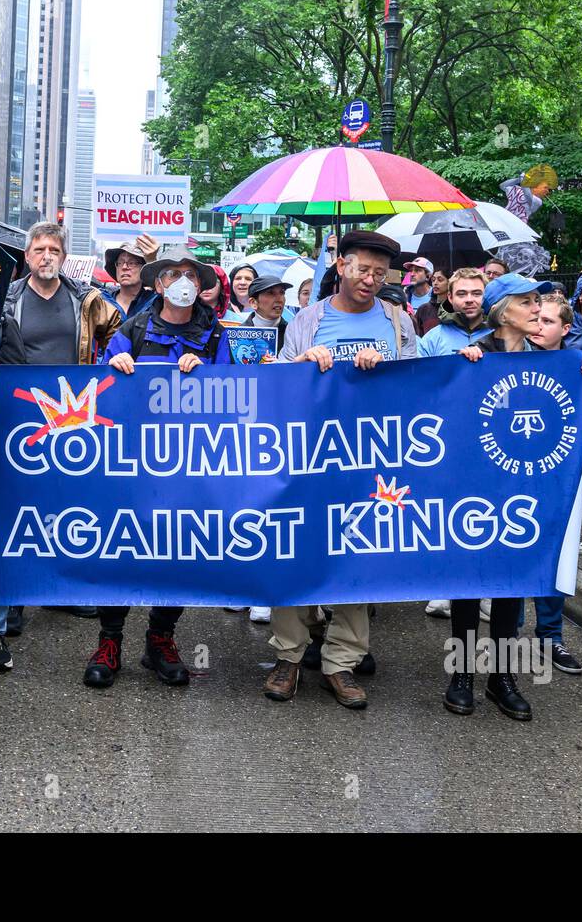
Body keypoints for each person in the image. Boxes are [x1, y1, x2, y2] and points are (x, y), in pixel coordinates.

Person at [264, 230, 416, 710]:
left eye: (379, 273)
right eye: (361, 269)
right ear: (341, 265)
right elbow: (278, 385)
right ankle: (288, 656)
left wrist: (387, 363)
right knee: (295, 549)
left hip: (371, 461)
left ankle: (342, 662)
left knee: (357, 554)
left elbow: (418, 383)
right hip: (308, 458)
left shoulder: (398, 321)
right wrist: (304, 362)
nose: (370, 280)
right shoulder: (308, 318)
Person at [449, 276, 582, 715]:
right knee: (468, 582)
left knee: (512, 583)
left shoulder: (552, 363)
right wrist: (461, 372)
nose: (538, 308)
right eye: (528, 301)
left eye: (540, 301)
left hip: (527, 491)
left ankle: (502, 677)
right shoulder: (473, 356)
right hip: (477, 491)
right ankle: (461, 674)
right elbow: (449, 421)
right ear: (502, 311)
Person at [83, 256, 231, 689]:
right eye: (172, 275)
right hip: (134, 464)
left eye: (190, 275)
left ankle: (160, 640)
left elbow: (234, 394)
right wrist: (115, 368)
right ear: (159, 285)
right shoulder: (132, 329)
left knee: (178, 551)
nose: (182, 282)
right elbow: (100, 391)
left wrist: (208, 377)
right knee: (122, 546)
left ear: (200, 285)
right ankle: (109, 641)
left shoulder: (213, 335)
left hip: (190, 465)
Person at [1, 220, 122, 626]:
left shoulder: (87, 299)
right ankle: (15, 597)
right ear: (27, 256)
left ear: (64, 258)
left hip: (74, 414)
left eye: (54, 250)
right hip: (22, 413)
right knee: (21, 506)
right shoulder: (8, 298)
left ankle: (64, 589)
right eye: (39, 250)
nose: (46, 256)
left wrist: (113, 361)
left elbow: (124, 333)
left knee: (69, 504)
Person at [416, 268, 493, 356]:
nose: (469, 300)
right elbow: (420, 369)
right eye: (461, 294)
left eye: (476, 293)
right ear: (450, 297)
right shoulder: (433, 339)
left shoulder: (500, 334)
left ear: (486, 296)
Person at [101, 233, 161, 319]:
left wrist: (152, 260)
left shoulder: (154, 302)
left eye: (132, 263)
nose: (124, 267)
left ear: (143, 268)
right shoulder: (102, 301)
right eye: (120, 263)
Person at [241, 274, 291, 357]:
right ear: (253, 303)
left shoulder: (292, 333)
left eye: (282, 292)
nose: (279, 299)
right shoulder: (238, 335)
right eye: (270, 293)